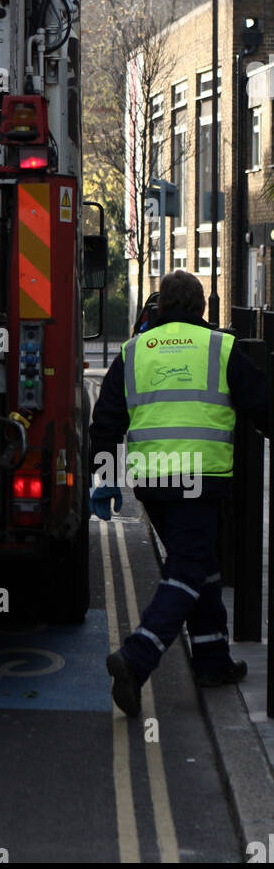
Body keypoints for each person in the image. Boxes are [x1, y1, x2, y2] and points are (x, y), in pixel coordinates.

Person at [89, 270, 269, 717]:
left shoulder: (133, 352)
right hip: (200, 480)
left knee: (201, 567)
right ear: (202, 309)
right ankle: (137, 657)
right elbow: (263, 405)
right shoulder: (221, 347)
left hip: (153, 484)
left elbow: (106, 421)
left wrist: (106, 478)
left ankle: (212, 660)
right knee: (187, 572)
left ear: (161, 306)